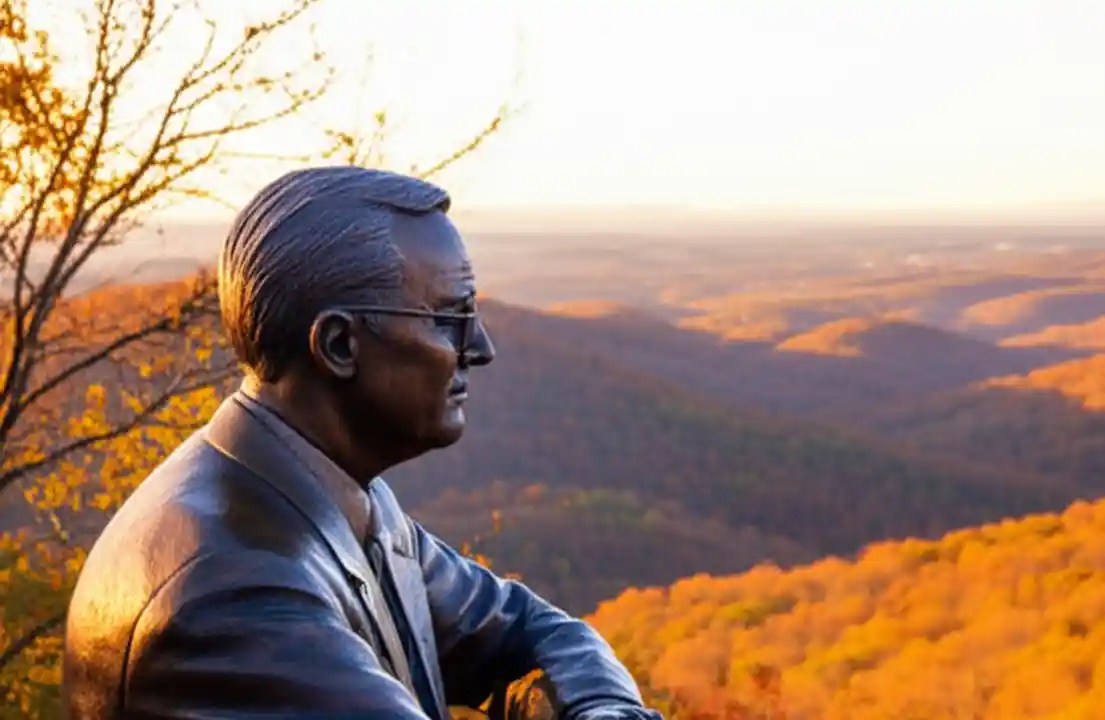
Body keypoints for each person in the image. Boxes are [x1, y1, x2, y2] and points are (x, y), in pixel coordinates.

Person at [63, 167, 663, 720]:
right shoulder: (232, 596)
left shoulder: (331, 495)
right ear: (341, 346)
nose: (479, 347)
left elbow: (531, 633)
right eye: (450, 318)